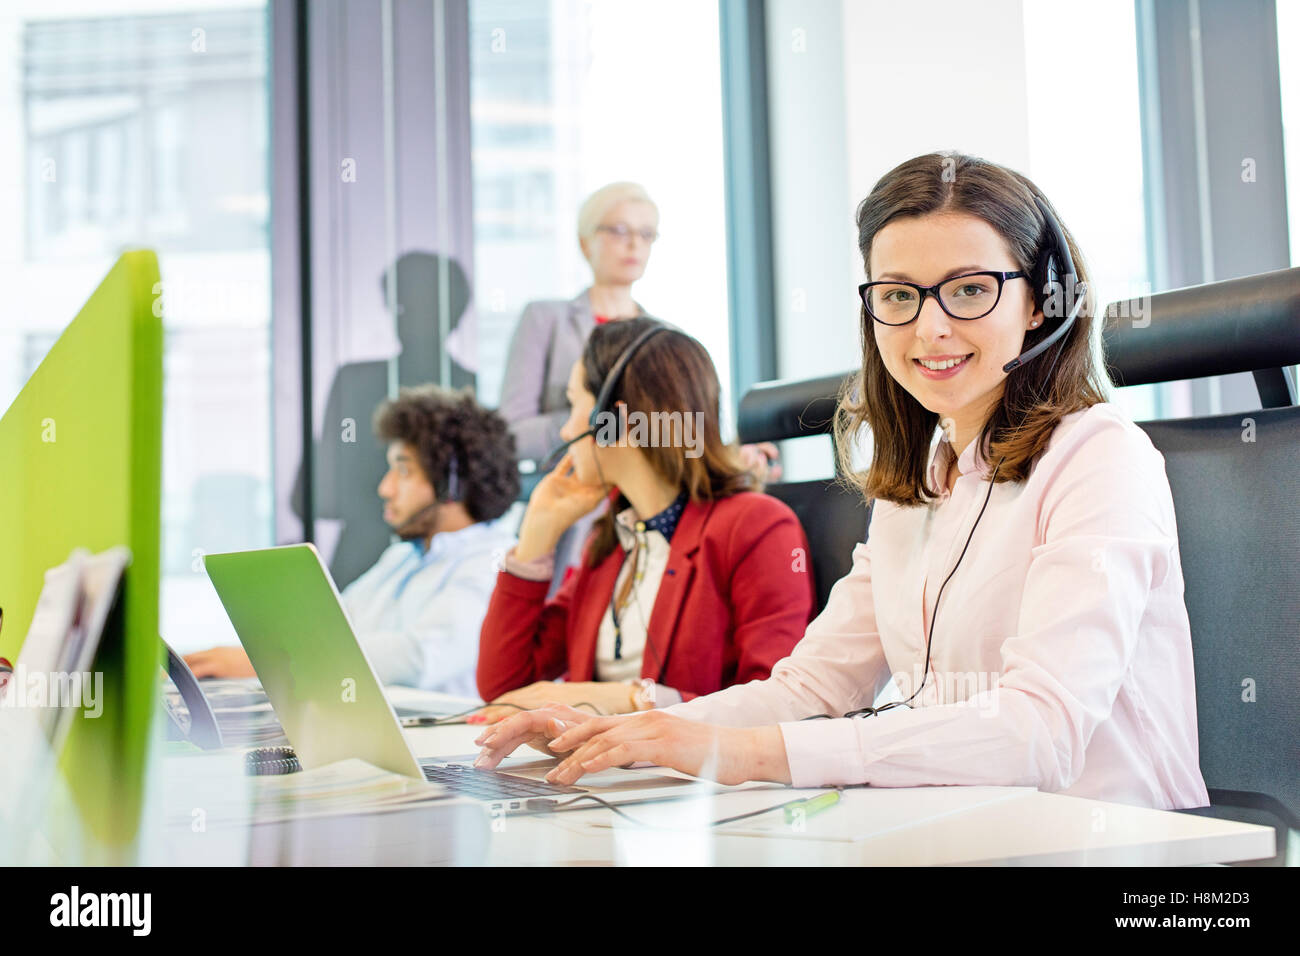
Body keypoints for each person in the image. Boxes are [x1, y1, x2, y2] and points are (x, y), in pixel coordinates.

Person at [473, 151, 1210, 812]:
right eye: (898, 296)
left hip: (1111, 840)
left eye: (970, 289)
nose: (931, 329)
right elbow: (813, 691)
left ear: (1041, 299)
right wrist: (623, 732)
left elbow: (1038, 732)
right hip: (961, 827)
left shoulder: (1099, 456)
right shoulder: (911, 486)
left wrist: (733, 754)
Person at [471, 317, 815, 722]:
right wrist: (536, 539)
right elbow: (505, 688)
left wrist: (632, 700)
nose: (565, 429)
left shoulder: (756, 526)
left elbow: (775, 707)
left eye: (573, 404)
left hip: (695, 782)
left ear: (612, 420)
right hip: (600, 776)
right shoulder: (614, 542)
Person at [186, 386, 519, 696]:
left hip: (447, 745)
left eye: (403, 472)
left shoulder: (494, 561)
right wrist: (248, 658)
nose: (385, 489)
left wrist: (274, 666)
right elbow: (330, 628)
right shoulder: (402, 558)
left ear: (453, 484)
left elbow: (418, 659)